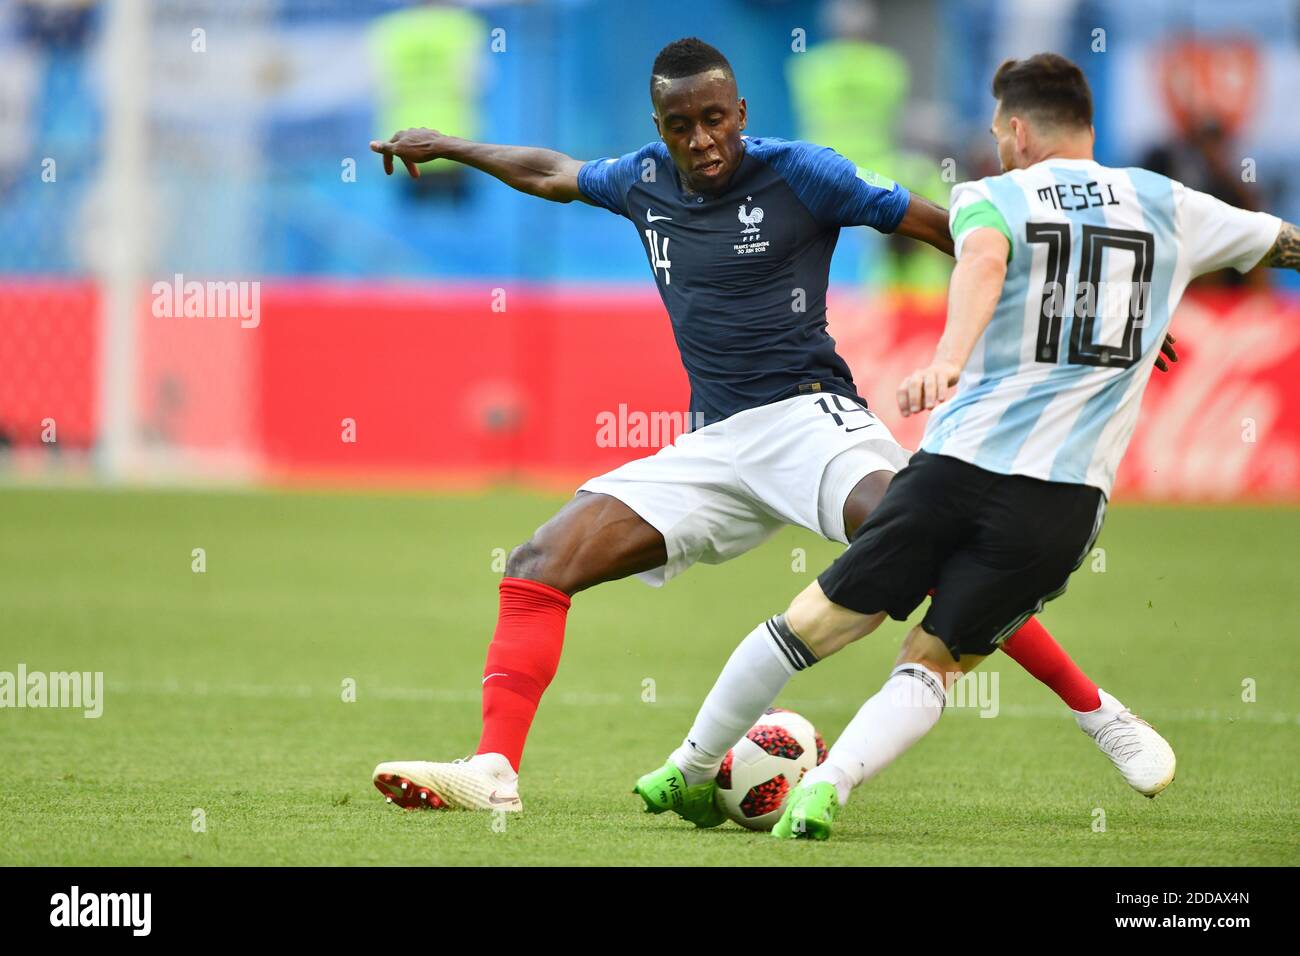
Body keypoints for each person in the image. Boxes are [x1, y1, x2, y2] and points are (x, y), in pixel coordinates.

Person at [367, 38, 1176, 816]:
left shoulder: (804, 174)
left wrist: (1088, 306)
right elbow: (552, 172)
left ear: (740, 109)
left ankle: (1100, 713)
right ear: (660, 130)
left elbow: (953, 230)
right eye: (682, 126)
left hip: (808, 418)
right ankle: (494, 770)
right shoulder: (642, 179)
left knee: (925, 544)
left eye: (715, 118)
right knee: (540, 563)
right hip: (716, 444)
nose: (703, 140)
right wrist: (448, 143)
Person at [634, 51, 1295, 841]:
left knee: (807, 623)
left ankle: (690, 761)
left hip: (953, 467)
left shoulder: (992, 194)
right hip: (1061, 499)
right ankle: (827, 789)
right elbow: (1283, 244)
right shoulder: (1170, 204)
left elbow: (982, 258)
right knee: (932, 664)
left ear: (1016, 130)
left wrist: (949, 356)